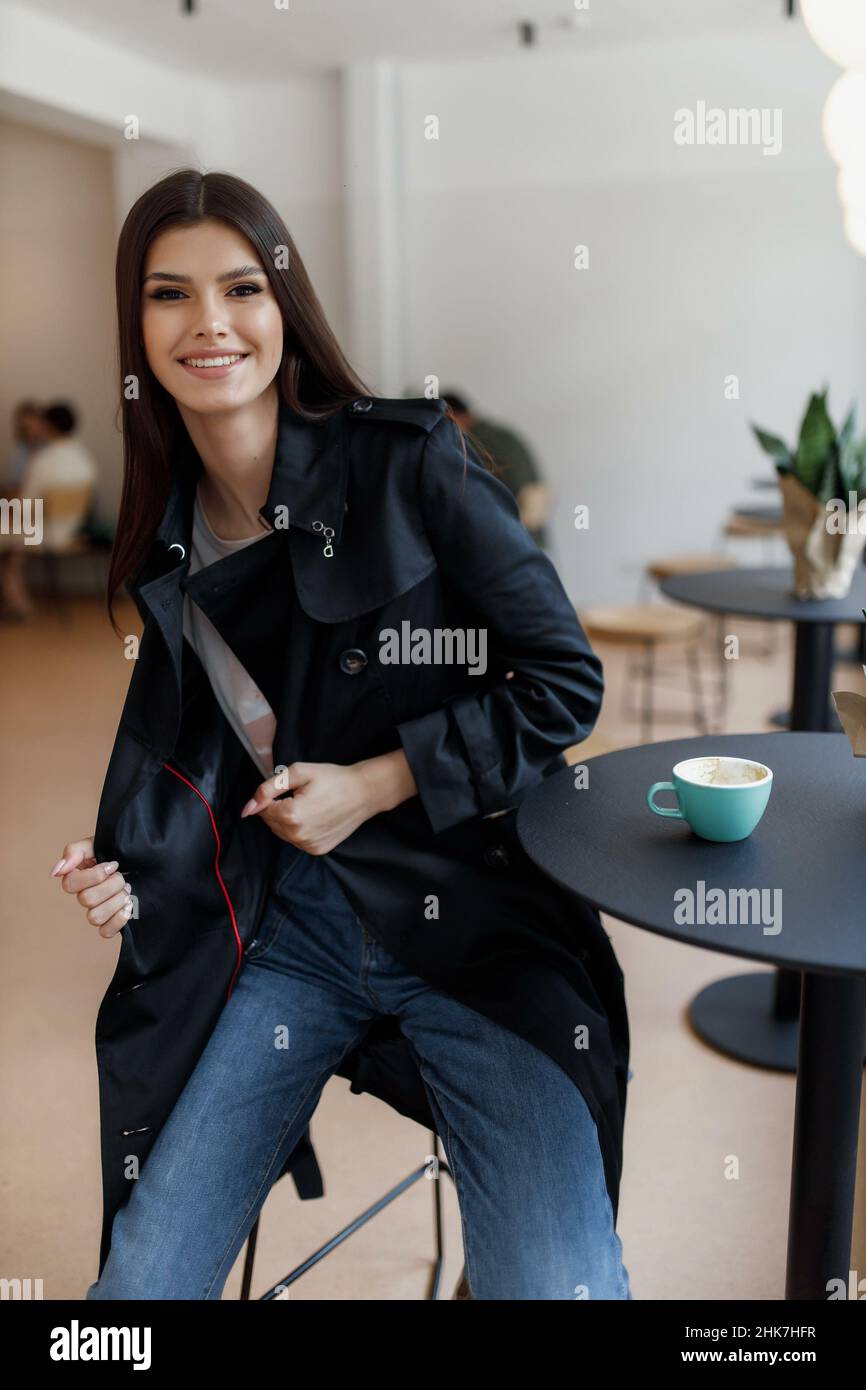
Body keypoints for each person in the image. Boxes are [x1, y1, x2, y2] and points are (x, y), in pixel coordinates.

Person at [49, 168, 631, 1301]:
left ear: (285, 309)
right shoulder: (165, 541)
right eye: (169, 296)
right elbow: (194, 763)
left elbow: (564, 679)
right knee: (136, 1296)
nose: (208, 324)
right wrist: (121, 865)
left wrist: (373, 781)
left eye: (240, 289)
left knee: (556, 1287)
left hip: (477, 919)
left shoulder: (408, 460)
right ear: (136, 324)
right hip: (292, 937)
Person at [0, 402, 97, 619]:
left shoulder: (43, 461)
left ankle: (18, 604)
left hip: (45, 534)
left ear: (48, 425)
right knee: (10, 546)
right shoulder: (84, 458)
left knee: (5, 540)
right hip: (73, 531)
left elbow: (25, 504)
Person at [442, 390, 552, 550]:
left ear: (455, 416)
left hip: (512, 539)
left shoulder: (477, 440)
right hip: (527, 539)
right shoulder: (501, 434)